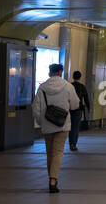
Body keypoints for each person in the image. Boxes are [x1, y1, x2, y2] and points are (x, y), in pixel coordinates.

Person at [34, 62, 80, 193]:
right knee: (58, 152)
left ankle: (51, 178)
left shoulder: (42, 87)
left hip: (47, 125)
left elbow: (36, 108)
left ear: (50, 72)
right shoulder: (68, 86)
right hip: (62, 124)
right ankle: (53, 180)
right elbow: (75, 105)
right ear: (60, 72)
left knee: (50, 153)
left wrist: (41, 122)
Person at [68, 69, 90, 152]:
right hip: (78, 109)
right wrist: (88, 107)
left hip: (69, 109)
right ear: (80, 77)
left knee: (70, 126)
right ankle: (74, 144)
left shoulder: (69, 86)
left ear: (73, 77)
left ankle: (70, 143)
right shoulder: (82, 86)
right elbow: (86, 98)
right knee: (76, 127)